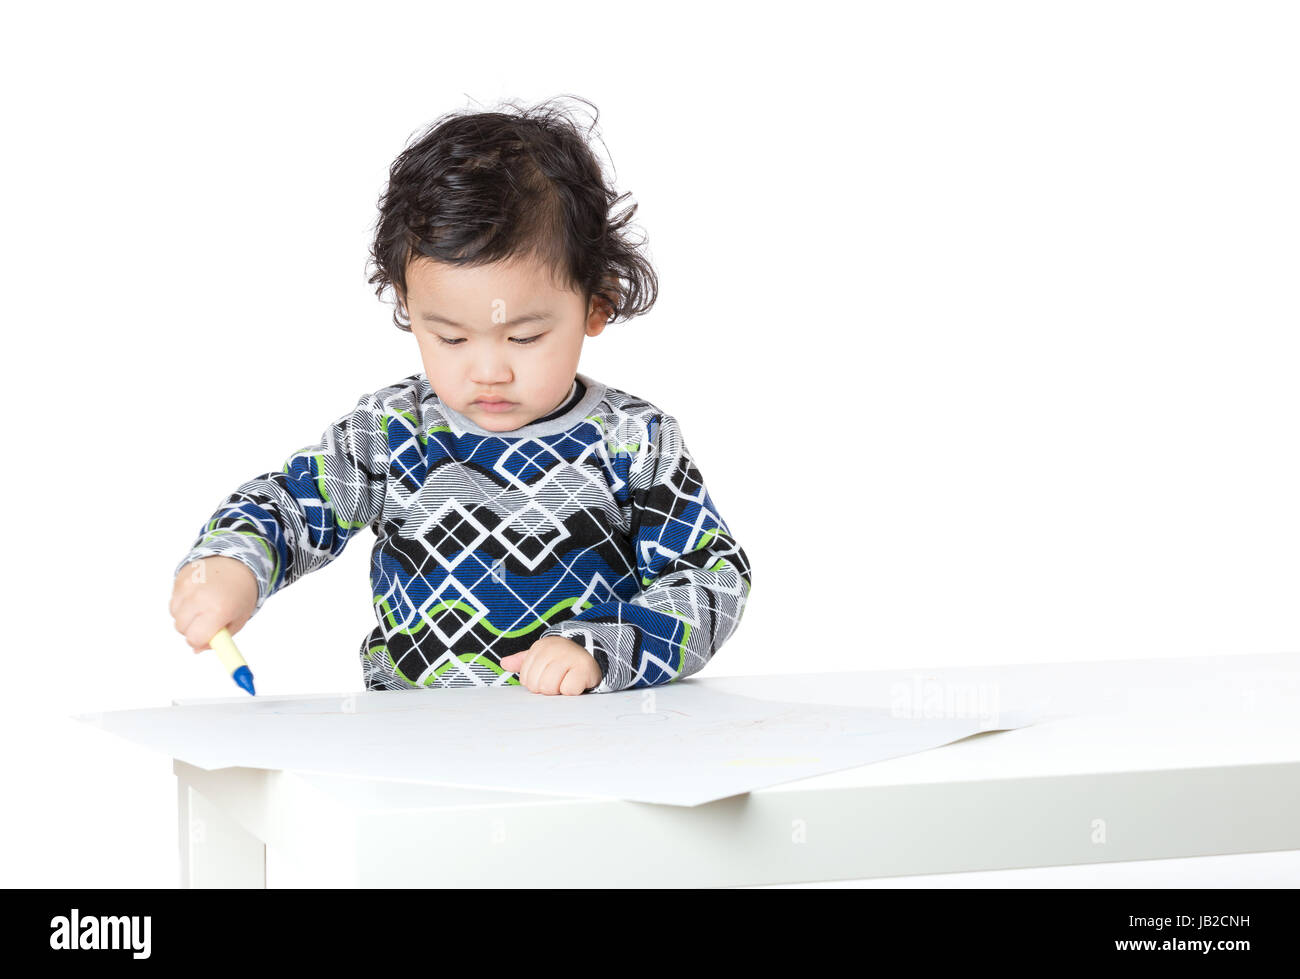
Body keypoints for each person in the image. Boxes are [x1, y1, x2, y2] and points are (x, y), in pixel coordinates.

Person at [168, 95, 753, 696]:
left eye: (524, 336)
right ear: (407, 305)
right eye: (450, 336)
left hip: (586, 743)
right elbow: (289, 506)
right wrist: (234, 564)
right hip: (417, 751)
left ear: (596, 304)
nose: (488, 371)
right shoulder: (393, 432)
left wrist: (604, 647)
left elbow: (713, 580)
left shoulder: (634, 440)